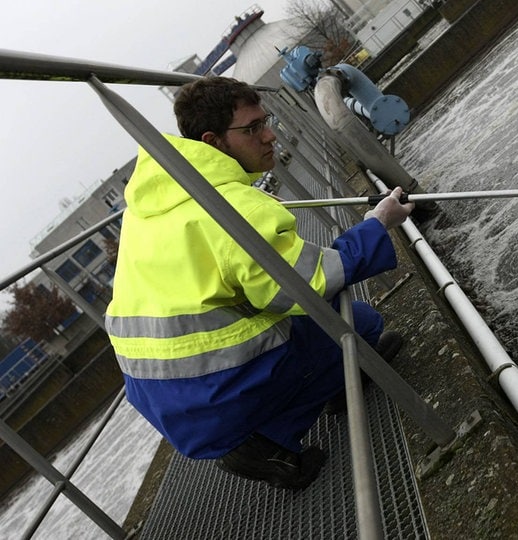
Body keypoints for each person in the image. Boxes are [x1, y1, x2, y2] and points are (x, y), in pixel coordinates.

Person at [104, 76, 413, 490]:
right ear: (213, 141)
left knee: (320, 329)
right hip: (218, 390)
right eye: (252, 128)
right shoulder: (232, 206)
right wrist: (377, 223)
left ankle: (270, 421)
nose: (269, 136)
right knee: (362, 325)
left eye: (266, 121)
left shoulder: (150, 203)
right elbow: (315, 281)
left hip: (167, 400)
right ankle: (270, 442)